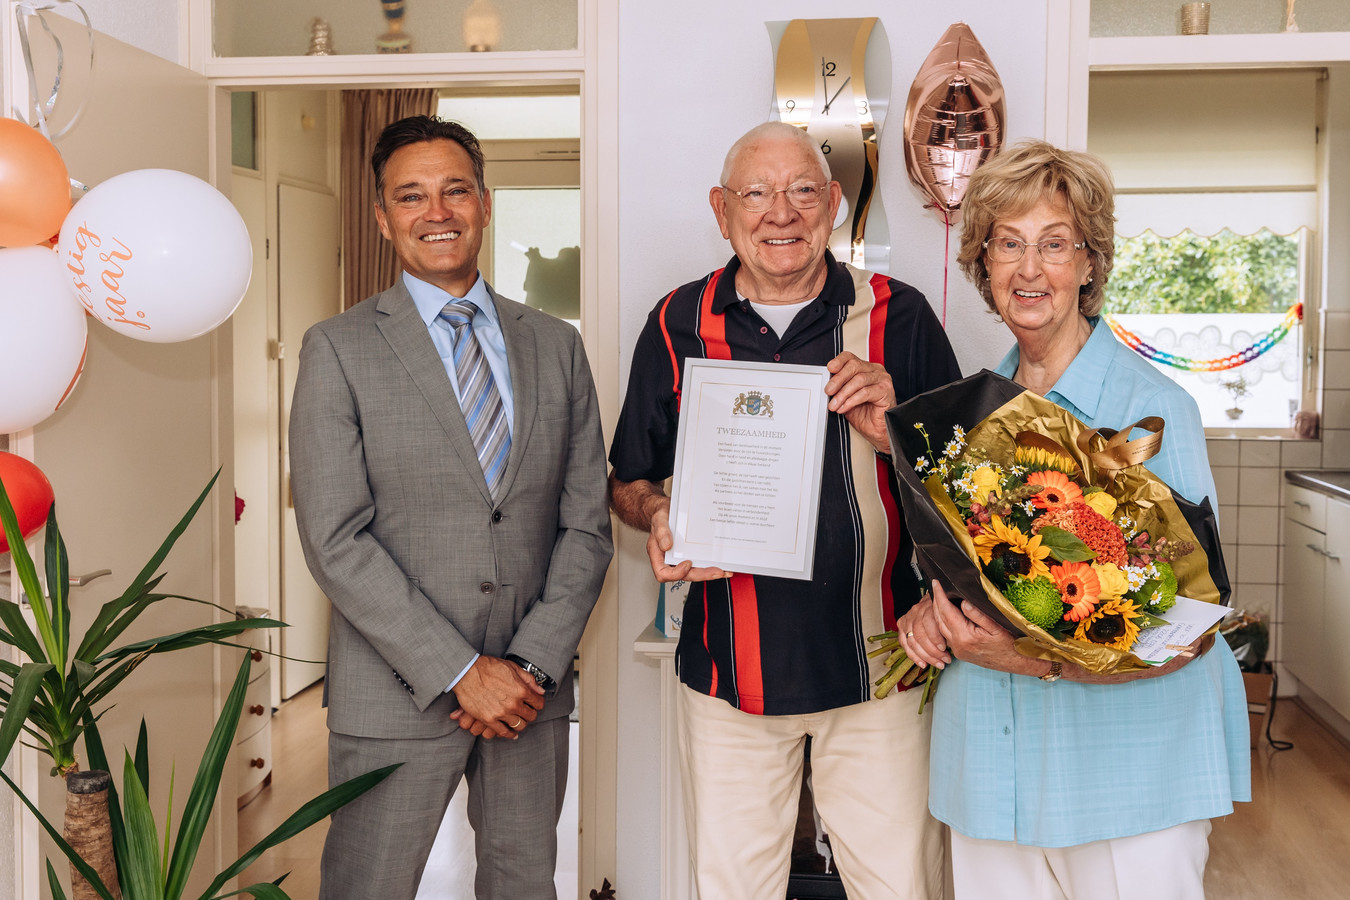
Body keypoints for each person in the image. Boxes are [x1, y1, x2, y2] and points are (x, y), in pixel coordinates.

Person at [608, 121, 961, 900]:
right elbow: (628, 479)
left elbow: (970, 484)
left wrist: (900, 423)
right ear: (721, 209)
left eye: (803, 191)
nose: (781, 212)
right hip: (727, 673)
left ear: (833, 204)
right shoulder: (675, 323)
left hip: (881, 665)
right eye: (756, 193)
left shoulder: (898, 316)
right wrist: (658, 512)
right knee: (733, 888)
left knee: (901, 887)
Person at [897, 140, 1251, 900]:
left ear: (1089, 264)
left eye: (1055, 244)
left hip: (1130, 779)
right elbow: (980, 569)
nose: (1030, 269)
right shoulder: (968, 419)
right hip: (990, 769)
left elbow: (1186, 624)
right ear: (983, 262)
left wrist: (1034, 660)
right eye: (1008, 244)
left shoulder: (1152, 414)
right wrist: (935, 611)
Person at [288, 115, 613, 900]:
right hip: (394, 690)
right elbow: (334, 537)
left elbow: (586, 524)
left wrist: (528, 665)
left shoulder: (556, 345)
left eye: (454, 190)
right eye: (411, 196)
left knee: (524, 885)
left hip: (530, 696)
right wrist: (462, 671)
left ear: (485, 203)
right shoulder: (338, 348)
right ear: (382, 218)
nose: (436, 212)